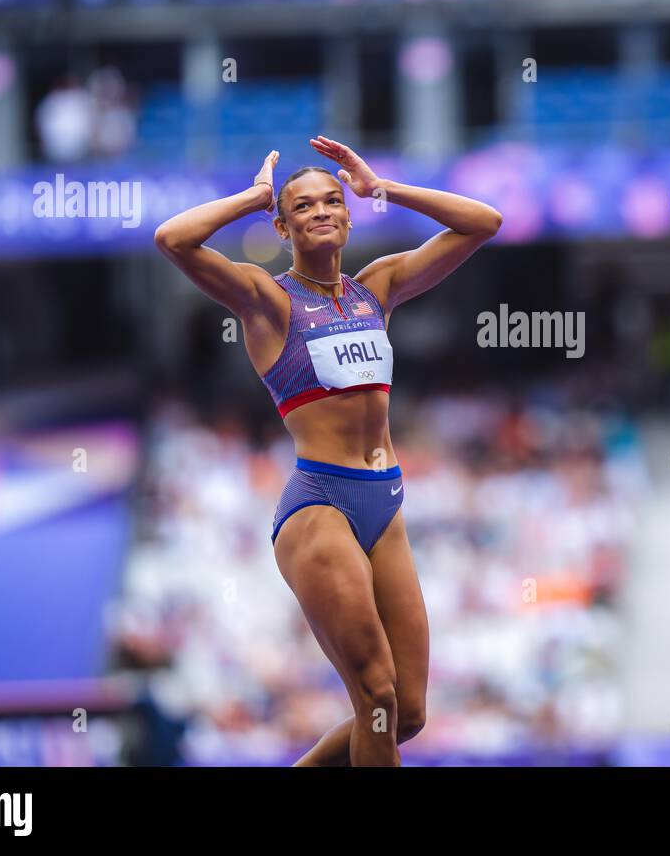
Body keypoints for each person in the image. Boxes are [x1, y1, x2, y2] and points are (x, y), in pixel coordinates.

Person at [153, 135, 502, 765]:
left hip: (385, 503)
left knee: (408, 712)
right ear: (283, 227)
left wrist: (383, 188)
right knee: (375, 692)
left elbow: (484, 222)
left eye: (333, 201)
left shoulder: (378, 289)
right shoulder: (267, 299)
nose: (321, 211)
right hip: (322, 508)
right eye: (303, 206)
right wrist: (253, 197)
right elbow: (173, 240)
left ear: (347, 215)